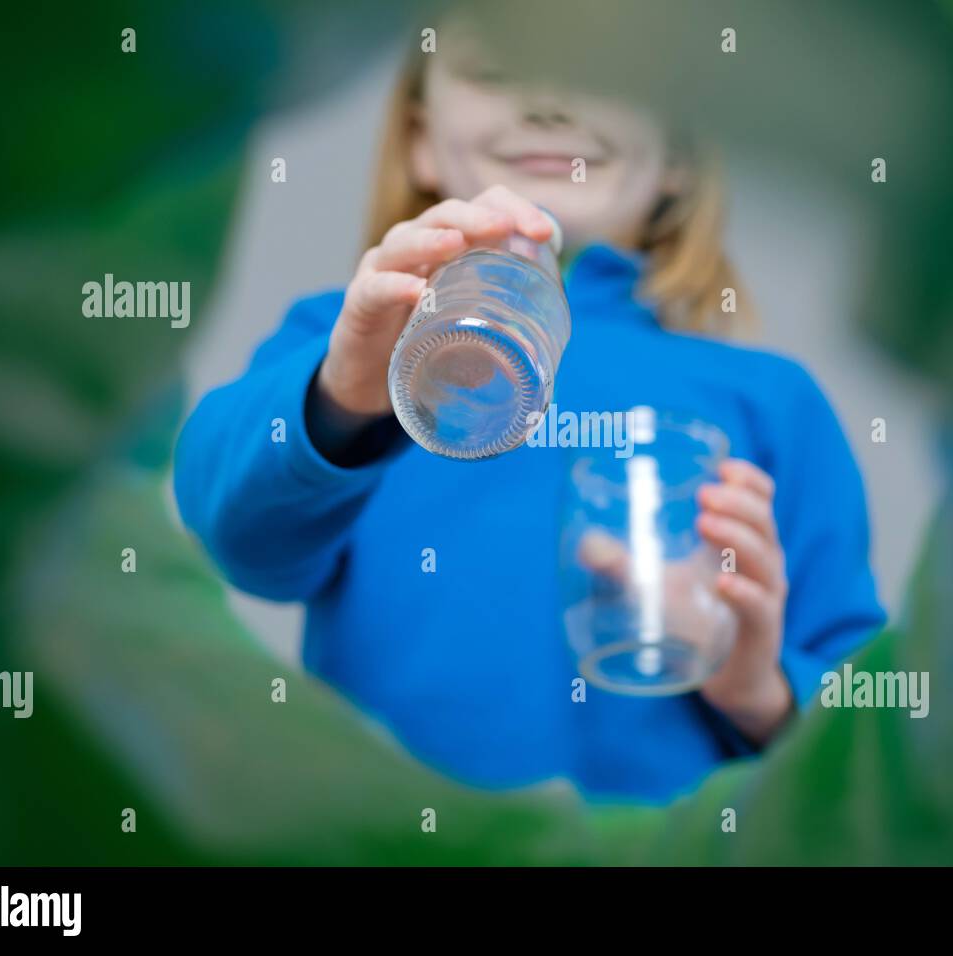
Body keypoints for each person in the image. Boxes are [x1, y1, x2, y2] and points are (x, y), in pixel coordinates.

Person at [173, 23, 882, 803]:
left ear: (679, 156)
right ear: (420, 141)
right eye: (496, 70)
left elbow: (867, 722)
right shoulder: (346, 342)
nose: (547, 104)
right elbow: (237, 536)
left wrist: (757, 688)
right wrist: (343, 394)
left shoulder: (771, 399)